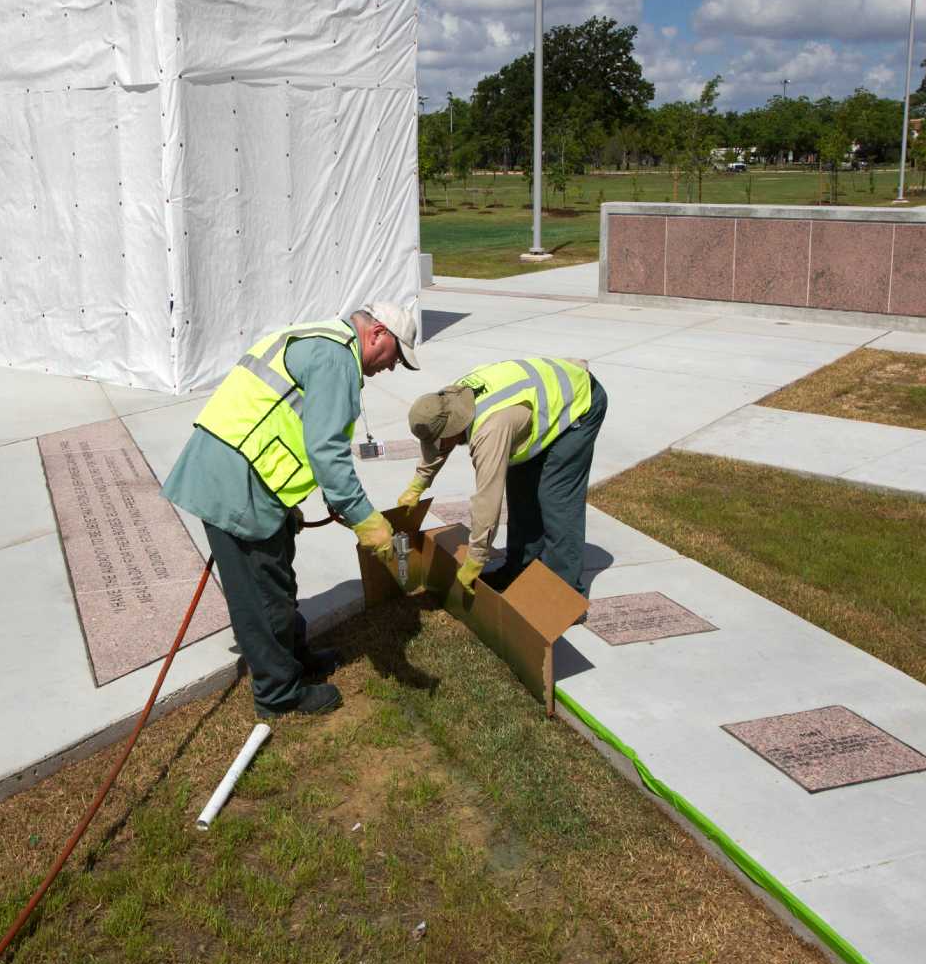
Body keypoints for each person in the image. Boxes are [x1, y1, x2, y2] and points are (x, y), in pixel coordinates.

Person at [163, 304, 420, 717]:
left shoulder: (322, 339)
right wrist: (365, 519)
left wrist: (286, 505)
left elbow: (289, 426)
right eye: (396, 356)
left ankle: (294, 657)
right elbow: (326, 450)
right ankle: (278, 694)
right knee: (262, 595)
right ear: (377, 333)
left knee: (278, 580)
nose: (392, 368)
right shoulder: (337, 358)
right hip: (235, 482)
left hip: (244, 475)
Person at [401, 357, 605, 596]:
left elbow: (488, 501)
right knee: (520, 493)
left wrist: (475, 560)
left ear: (454, 428)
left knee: (556, 500)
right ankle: (519, 571)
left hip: (579, 405)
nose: (438, 448)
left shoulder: (489, 431)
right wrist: (417, 485)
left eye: (440, 441)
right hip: (534, 407)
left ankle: (565, 595)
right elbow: (438, 443)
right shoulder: (450, 400)